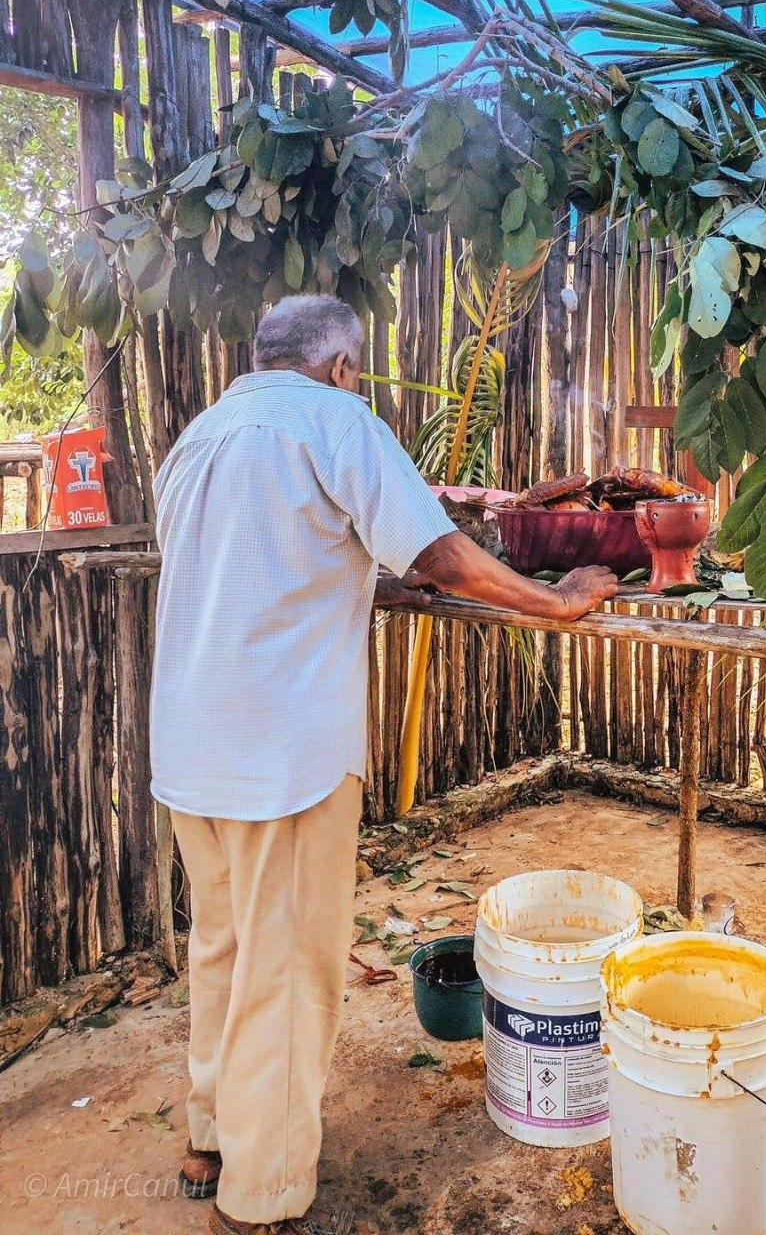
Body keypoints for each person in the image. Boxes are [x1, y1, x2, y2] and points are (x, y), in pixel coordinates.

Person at [150, 294, 618, 1235]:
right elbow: (444, 556)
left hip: (191, 748)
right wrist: (554, 601)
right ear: (340, 367)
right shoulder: (335, 420)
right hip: (283, 760)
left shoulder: (203, 433)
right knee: (286, 976)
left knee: (224, 948)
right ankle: (260, 1196)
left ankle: (210, 1136)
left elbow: (276, 554)